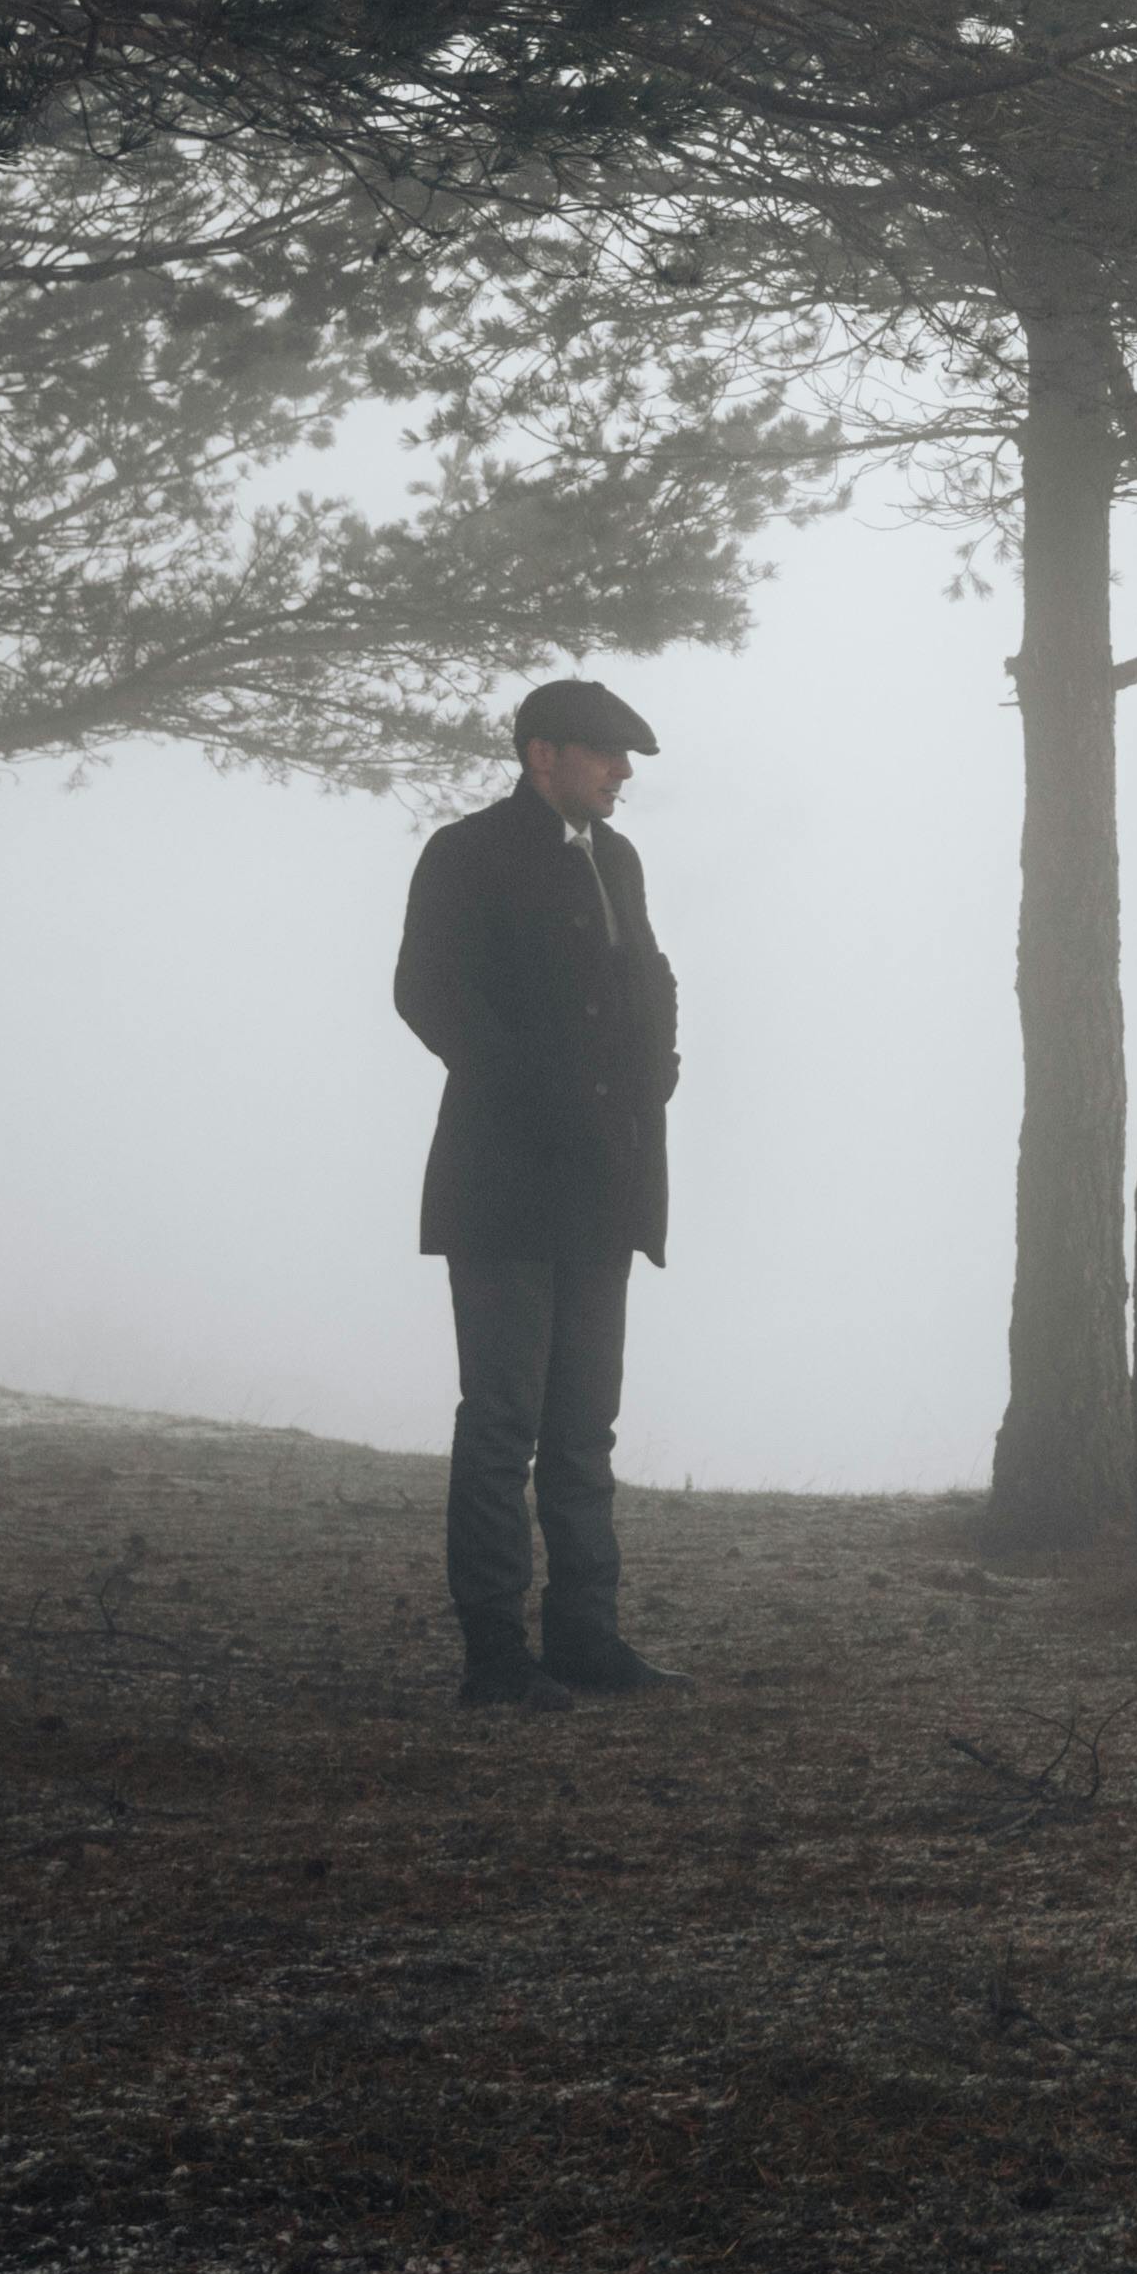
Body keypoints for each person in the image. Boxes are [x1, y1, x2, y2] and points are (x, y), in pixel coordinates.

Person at [394, 677, 685, 1707]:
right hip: (504, 1181)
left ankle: (584, 1636)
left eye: (625, 757)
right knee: (503, 1419)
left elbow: (647, 975)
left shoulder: (617, 857)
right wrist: (534, 1090)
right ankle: (494, 1656)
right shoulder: (467, 852)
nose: (622, 772)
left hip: (604, 1184)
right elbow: (427, 991)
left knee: (581, 1425)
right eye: (605, 754)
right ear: (541, 754)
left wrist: (659, 1068)